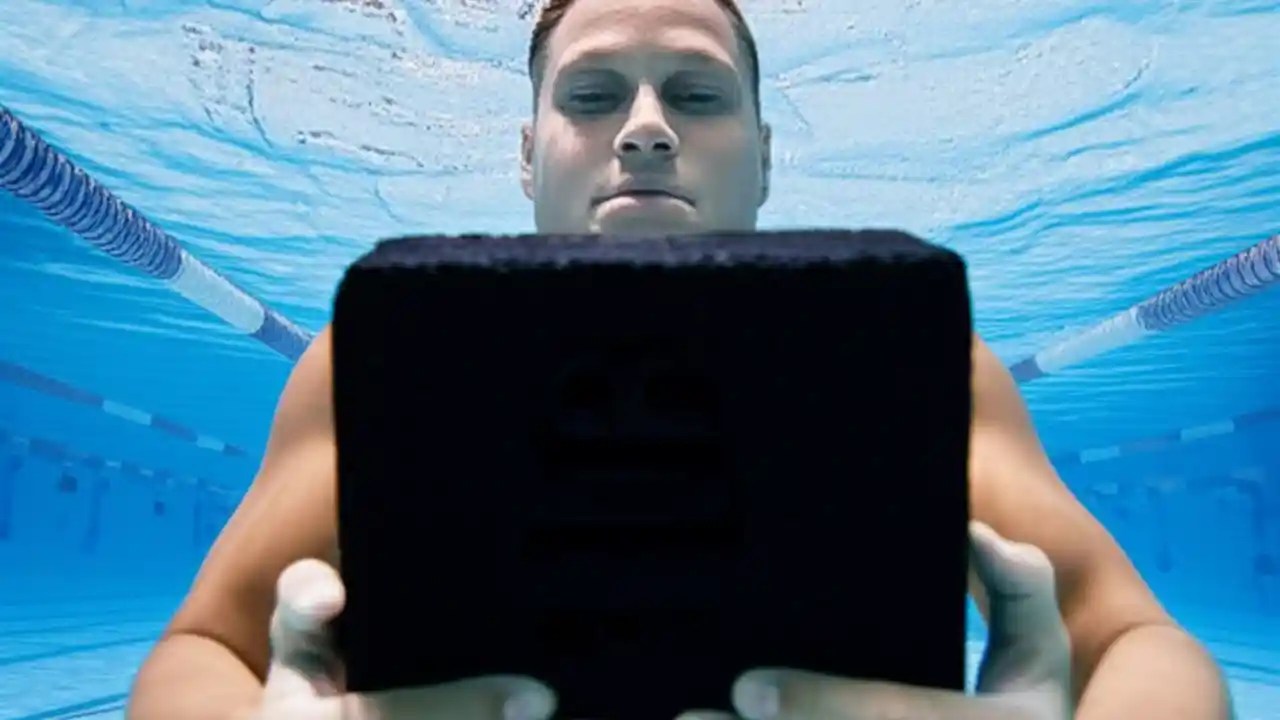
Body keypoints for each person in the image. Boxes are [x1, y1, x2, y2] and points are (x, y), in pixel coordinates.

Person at [125, 0, 1236, 718]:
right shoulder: (371, 363)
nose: (646, 129)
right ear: (527, 156)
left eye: (697, 97)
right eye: (592, 96)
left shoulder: (920, 370)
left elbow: (1143, 647)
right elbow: (195, 659)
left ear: (763, 153)